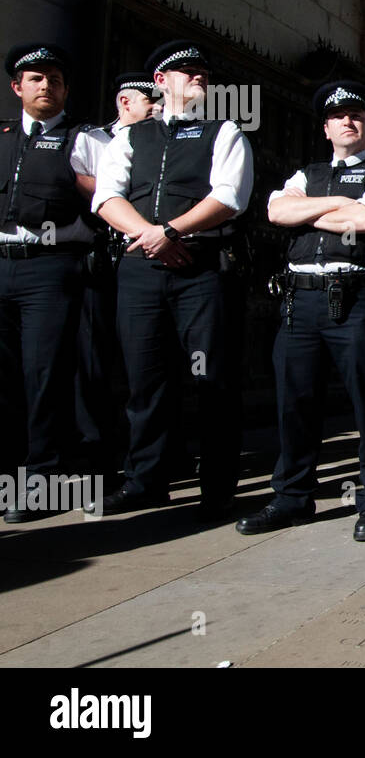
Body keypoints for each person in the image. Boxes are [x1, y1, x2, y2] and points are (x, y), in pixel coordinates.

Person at [90, 40, 253, 518]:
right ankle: (146, 481)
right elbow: (106, 197)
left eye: (202, 71)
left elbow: (229, 197)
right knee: (146, 379)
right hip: (142, 266)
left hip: (200, 269)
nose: (198, 76)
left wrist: (172, 231)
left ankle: (217, 488)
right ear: (161, 82)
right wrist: (152, 236)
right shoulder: (131, 137)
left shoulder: (224, 132)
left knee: (212, 379)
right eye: (186, 71)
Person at [236, 81, 365, 542]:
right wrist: (335, 205)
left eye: (357, 115)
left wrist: (305, 211)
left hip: (353, 299)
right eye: (339, 117)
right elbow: (274, 212)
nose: (348, 122)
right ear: (326, 128)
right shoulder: (304, 173)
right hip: (300, 300)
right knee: (295, 403)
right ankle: (292, 496)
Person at [0, 43, 103, 522]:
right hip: (2, 262)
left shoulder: (82, 140)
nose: (47, 86)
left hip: (52, 267)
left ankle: (42, 478)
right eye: (36, 78)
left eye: (56, 80)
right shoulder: (1, 136)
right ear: (17, 87)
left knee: (44, 374)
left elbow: (109, 201)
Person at [74, 72, 159, 478]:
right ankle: (98, 451)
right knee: (94, 357)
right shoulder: (92, 140)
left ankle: (152, 453)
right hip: (103, 258)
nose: (159, 107)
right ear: (126, 103)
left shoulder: (166, 140)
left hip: (150, 257)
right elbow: (89, 188)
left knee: (145, 360)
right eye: (150, 101)